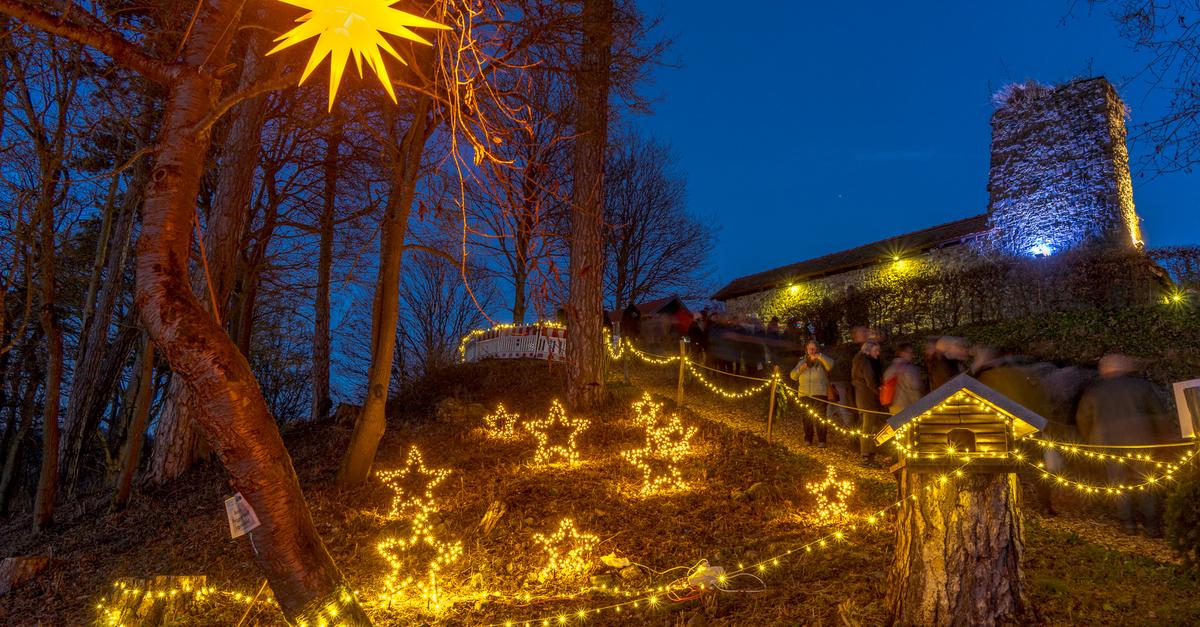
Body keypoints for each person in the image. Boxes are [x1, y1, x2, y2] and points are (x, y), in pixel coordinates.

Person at [1076, 354, 1177, 537]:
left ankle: (1128, 524)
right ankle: (1152, 525)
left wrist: (1091, 438)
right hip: (1142, 443)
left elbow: (1083, 417)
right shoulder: (1141, 386)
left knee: (1118, 485)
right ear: (1127, 368)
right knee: (1147, 483)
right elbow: (1159, 415)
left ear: (1105, 369)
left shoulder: (1095, 391)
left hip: (1108, 445)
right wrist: (1165, 440)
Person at [790, 340, 834, 447]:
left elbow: (830, 365)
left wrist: (820, 357)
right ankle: (808, 439)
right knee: (806, 418)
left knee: (820, 417)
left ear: (817, 349)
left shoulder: (822, 360)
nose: (812, 350)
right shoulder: (802, 362)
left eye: (814, 348)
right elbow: (793, 376)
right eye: (809, 348)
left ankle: (822, 440)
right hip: (804, 393)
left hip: (820, 393)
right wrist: (802, 368)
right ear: (806, 350)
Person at [828, 326, 868, 431]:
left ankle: (854, 433)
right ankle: (854, 434)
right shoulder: (851, 351)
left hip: (851, 384)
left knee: (849, 409)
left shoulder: (855, 350)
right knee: (847, 409)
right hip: (848, 384)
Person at [852, 340, 885, 466]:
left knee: (869, 426)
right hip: (867, 397)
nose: (878, 353)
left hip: (864, 397)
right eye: (876, 350)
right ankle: (866, 456)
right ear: (868, 350)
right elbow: (870, 380)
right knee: (868, 426)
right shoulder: (866, 362)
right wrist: (879, 390)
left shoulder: (861, 360)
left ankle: (869, 454)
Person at [882, 343, 922, 414]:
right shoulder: (910, 369)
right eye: (910, 352)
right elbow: (914, 390)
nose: (912, 355)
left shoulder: (890, 369)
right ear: (902, 353)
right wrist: (920, 407)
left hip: (894, 407)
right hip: (908, 407)